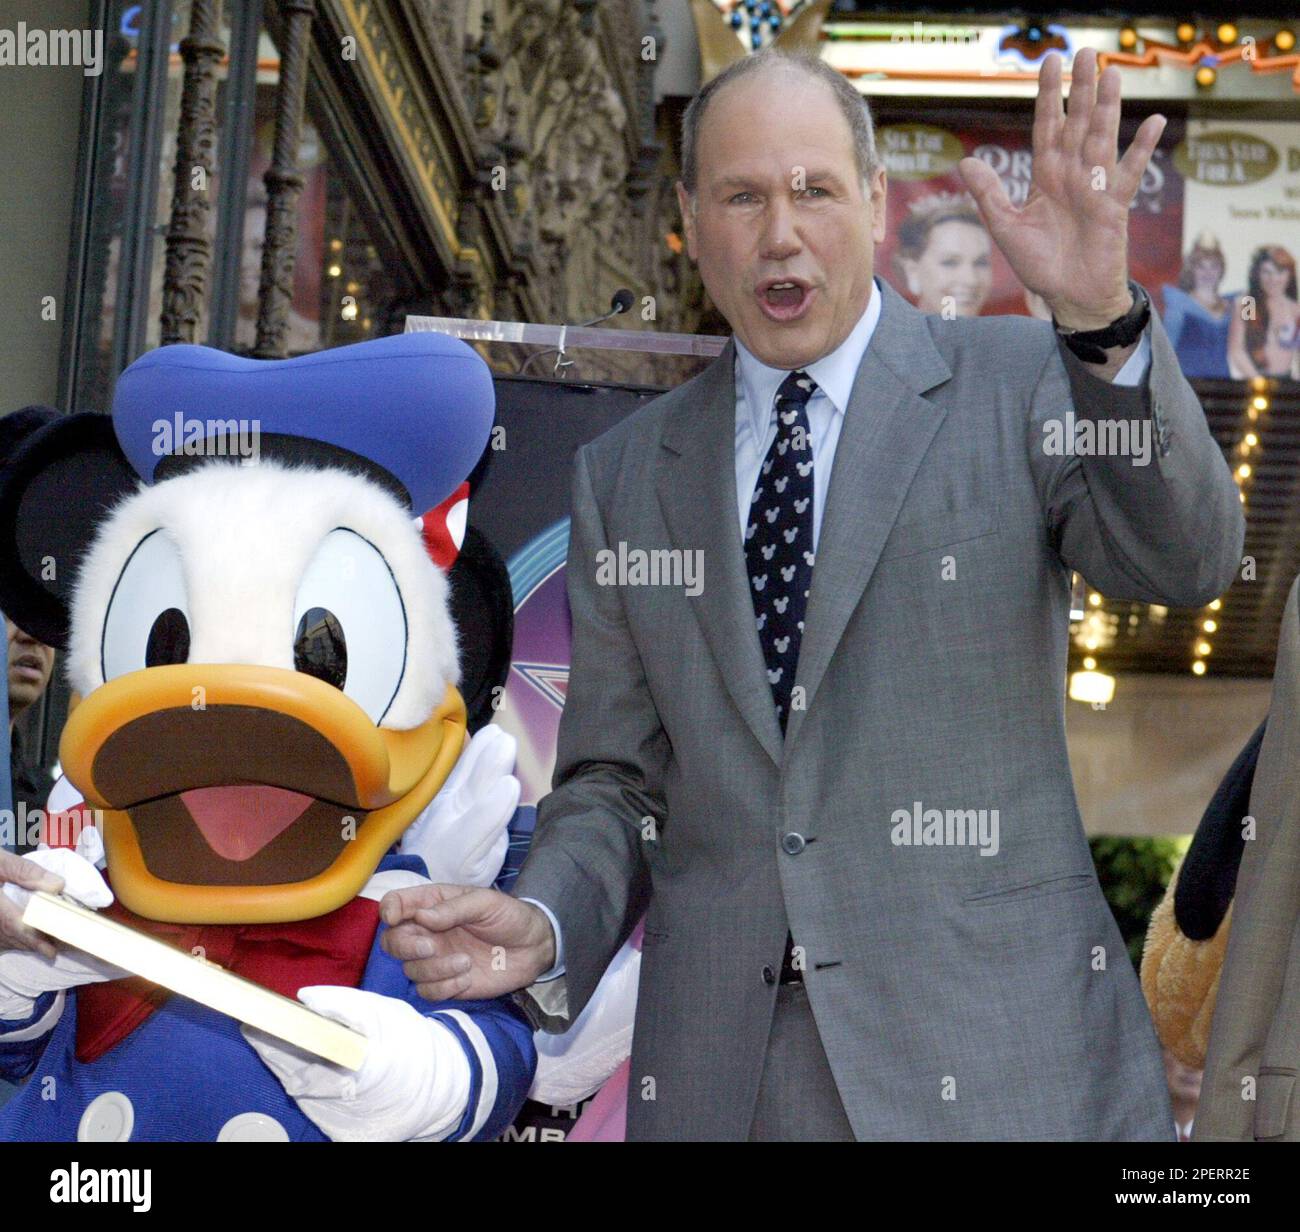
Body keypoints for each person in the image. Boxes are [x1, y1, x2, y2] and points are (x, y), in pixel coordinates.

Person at [380, 47, 1244, 1140]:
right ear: (690, 220)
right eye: (742, 196)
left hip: (995, 1068)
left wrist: (1103, 322)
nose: (779, 231)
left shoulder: (1019, 379)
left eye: (814, 190)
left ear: (876, 202)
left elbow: (1188, 559)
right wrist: (547, 916)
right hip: (722, 1083)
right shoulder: (628, 473)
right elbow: (615, 782)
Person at [892, 192, 993, 317]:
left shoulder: (1008, 334)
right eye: (950, 263)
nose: (970, 279)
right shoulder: (890, 335)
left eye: (980, 263)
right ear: (912, 271)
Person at [1161, 233, 1232, 378]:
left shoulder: (1237, 303)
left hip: (1227, 386)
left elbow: (1251, 337)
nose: (1208, 273)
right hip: (1189, 384)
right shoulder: (1178, 304)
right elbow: (1166, 350)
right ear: (1191, 269)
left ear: (1221, 269)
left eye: (1214, 266)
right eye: (1201, 267)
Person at [1227, 245, 1300, 380]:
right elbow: (1237, 351)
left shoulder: (1295, 310)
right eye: (1267, 272)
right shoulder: (1249, 304)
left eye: (1280, 272)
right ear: (1257, 274)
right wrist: (1257, 381)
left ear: (1289, 275)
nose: (1273, 279)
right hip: (1253, 382)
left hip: (1286, 386)